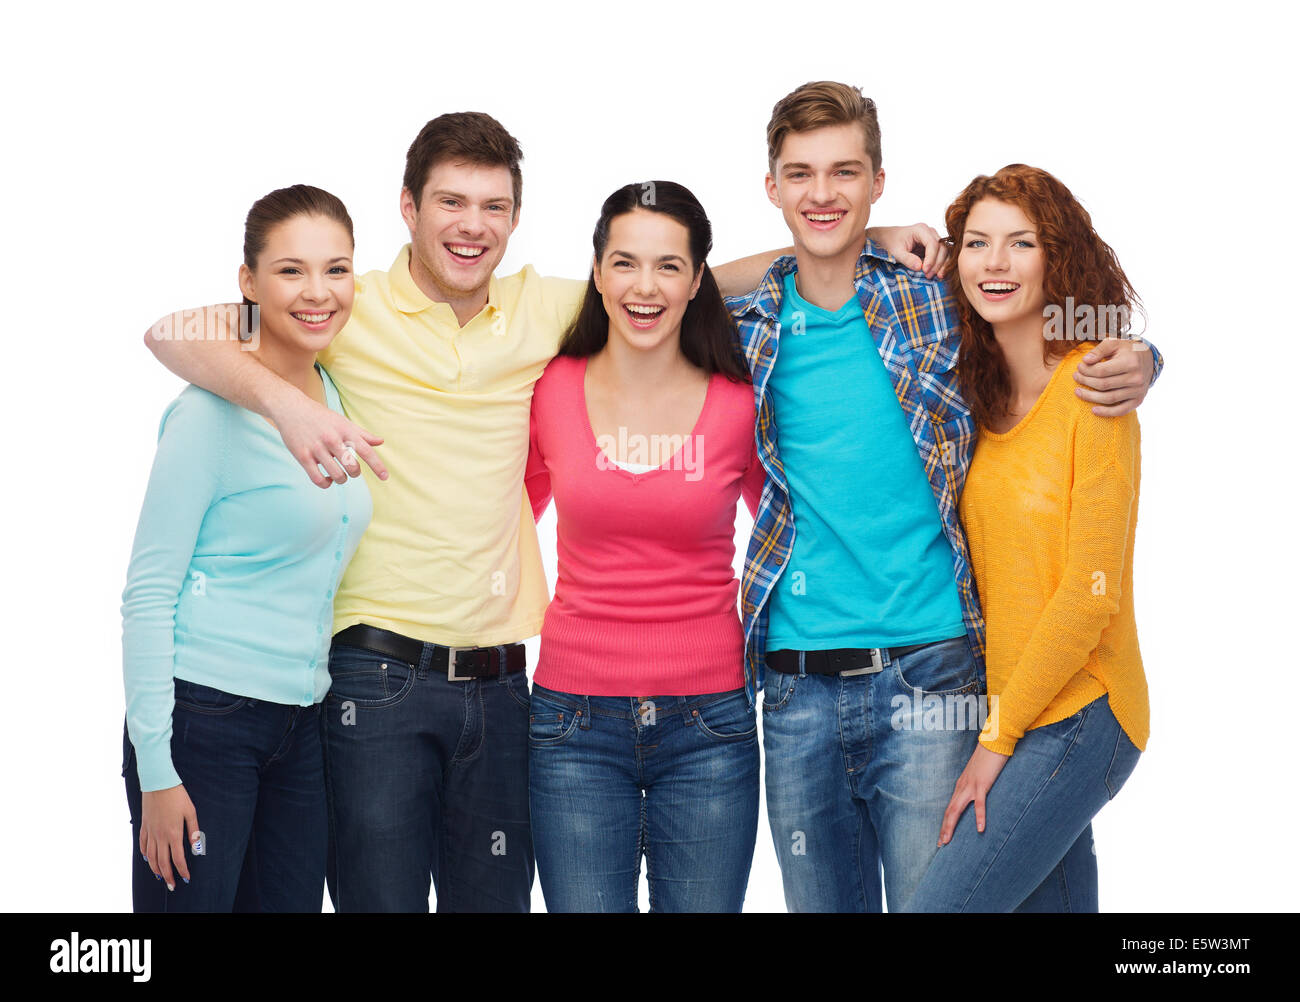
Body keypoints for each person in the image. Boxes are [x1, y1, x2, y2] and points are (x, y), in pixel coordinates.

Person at [141, 110, 943, 912]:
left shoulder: (549, 316)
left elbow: (682, 278)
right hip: (377, 670)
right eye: (451, 203)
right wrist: (288, 406)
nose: (472, 226)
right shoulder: (347, 304)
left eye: (493, 207)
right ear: (407, 209)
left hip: (507, 683)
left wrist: (859, 239)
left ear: (516, 219)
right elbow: (172, 333)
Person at [723, 81, 1163, 912]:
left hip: (936, 677)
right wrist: (852, 240)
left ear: (879, 179)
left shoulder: (931, 302)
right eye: (801, 175)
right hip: (793, 688)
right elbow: (667, 284)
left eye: (846, 174)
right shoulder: (752, 321)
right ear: (771, 186)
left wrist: (1144, 355)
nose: (823, 193)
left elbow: (1059, 313)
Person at [903, 164, 1147, 912]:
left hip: (1083, 711)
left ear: (1058, 258)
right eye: (976, 244)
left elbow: (1088, 594)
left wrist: (996, 741)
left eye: (1020, 243)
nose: (995, 263)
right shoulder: (973, 397)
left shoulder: (1096, 390)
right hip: (1014, 707)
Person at [121, 184, 372, 911]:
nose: (318, 292)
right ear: (248, 284)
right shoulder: (207, 413)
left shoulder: (337, 391)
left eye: (337, 269)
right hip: (205, 725)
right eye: (291, 271)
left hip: (302, 726)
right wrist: (157, 770)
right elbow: (148, 592)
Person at [524, 182, 764, 912]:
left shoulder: (738, 400)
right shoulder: (550, 389)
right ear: (596, 274)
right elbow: (494, 516)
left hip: (711, 724)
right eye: (624, 263)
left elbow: (797, 536)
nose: (644, 286)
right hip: (572, 723)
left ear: (698, 282)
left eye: (669, 266)